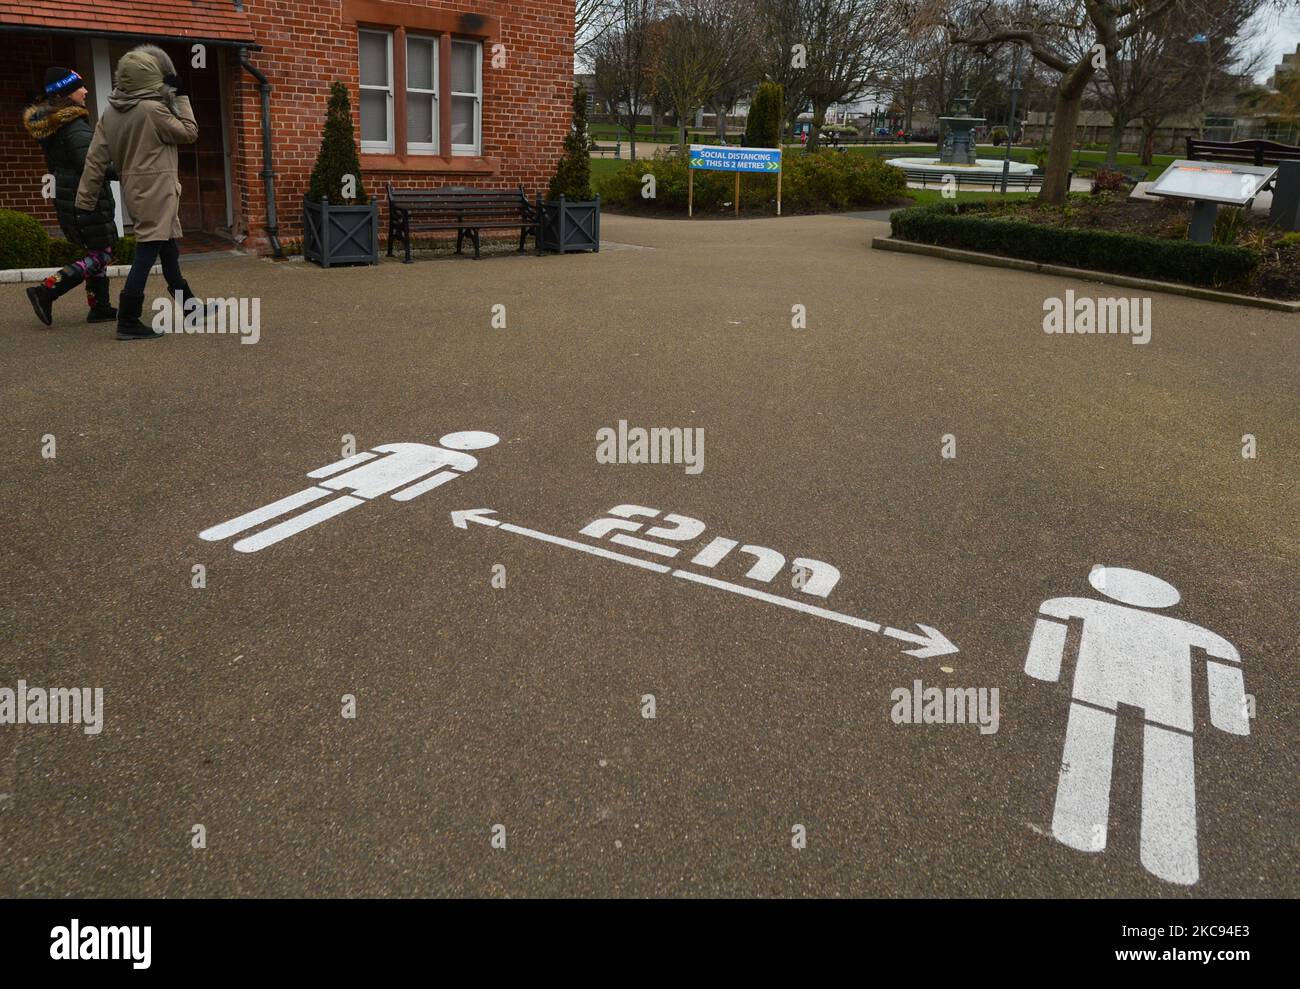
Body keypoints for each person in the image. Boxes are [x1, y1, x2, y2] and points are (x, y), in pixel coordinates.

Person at [1024, 566, 1249, 885]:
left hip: (1095, 694)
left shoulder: (1086, 606)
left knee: (1089, 745)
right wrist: (1230, 716)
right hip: (1169, 711)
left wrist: (1043, 667)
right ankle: (1169, 855)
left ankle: (1079, 825)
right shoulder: (1184, 630)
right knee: (1170, 763)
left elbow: (1052, 621)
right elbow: (1223, 658)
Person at [76, 45, 201, 341]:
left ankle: (190, 307)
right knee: (146, 253)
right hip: (157, 190)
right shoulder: (152, 109)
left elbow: (95, 158)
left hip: (138, 190)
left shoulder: (110, 113)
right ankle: (129, 319)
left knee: (168, 250)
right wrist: (180, 95)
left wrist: (85, 200)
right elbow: (189, 132)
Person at [22, 67, 119, 326]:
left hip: (71, 197)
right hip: (85, 197)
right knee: (101, 255)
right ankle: (46, 290)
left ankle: (99, 306)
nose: (86, 91)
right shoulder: (74, 125)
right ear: (66, 93)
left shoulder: (55, 125)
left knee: (98, 249)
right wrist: (126, 170)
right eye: (80, 87)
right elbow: (91, 165)